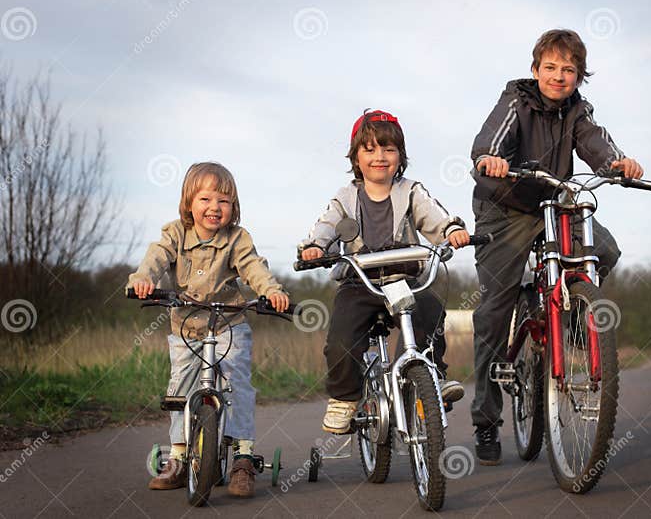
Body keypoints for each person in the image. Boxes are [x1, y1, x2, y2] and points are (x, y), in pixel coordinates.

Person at [469, 29, 645, 465]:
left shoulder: (578, 112)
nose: (559, 76)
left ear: (579, 77)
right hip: (507, 206)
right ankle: (486, 418)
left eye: (569, 70)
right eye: (551, 67)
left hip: (555, 203)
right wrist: (492, 160)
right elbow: (488, 143)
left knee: (604, 251)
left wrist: (617, 164)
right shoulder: (516, 101)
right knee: (494, 308)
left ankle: (572, 321)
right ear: (536, 70)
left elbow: (597, 144)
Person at [298, 110, 471, 434]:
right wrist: (316, 248)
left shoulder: (411, 191)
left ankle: (431, 378)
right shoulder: (346, 197)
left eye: (389, 149)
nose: (380, 157)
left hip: (404, 279)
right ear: (356, 157)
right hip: (360, 281)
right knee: (342, 339)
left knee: (429, 314)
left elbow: (435, 218)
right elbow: (325, 227)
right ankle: (345, 398)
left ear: (400, 156)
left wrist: (451, 230)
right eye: (370, 149)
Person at [127, 161, 290, 496]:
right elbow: (156, 257)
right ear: (189, 202)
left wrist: (270, 291)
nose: (214, 207)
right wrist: (144, 279)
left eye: (224, 201)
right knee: (180, 388)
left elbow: (253, 267)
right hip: (186, 328)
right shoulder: (174, 234)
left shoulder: (237, 239)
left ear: (234, 207)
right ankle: (179, 455)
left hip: (229, 323)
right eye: (205, 199)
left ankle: (243, 457)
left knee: (238, 383)